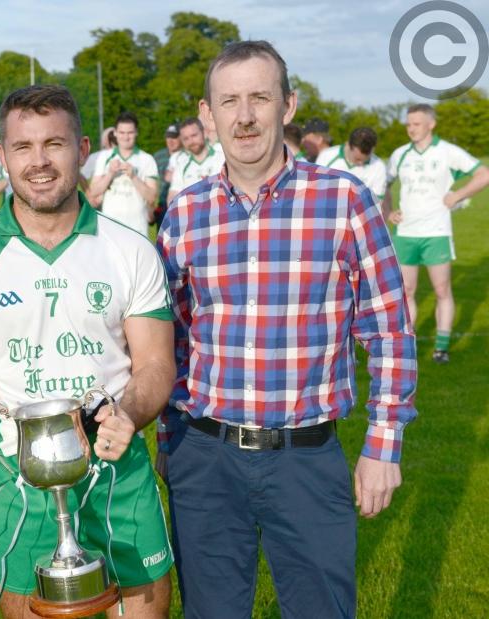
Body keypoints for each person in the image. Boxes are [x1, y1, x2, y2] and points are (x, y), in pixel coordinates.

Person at [157, 40, 418, 619]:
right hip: (204, 456)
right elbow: (170, 335)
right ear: (207, 114)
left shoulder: (345, 199)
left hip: (305, 457)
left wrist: (383, 445)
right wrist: (167, 439)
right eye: (229, 101)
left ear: (288, 105)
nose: (244, 115)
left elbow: (390, 330)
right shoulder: (185, 210)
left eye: (259, 97)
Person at [0, 84, 175, 618]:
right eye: (22, 147)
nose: (38, 162)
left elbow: (156, 363)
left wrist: (128, 414)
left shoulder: (129, 249)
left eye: (54, 144)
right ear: (2, 156)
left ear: (83, 149)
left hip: (118, 471)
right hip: (17, 481)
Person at [384, 103, 489, 364]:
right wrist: (388, 211)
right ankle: (406, 345)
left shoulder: (447, 152)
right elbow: (383, 185)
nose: (411, 129)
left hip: (437, 232)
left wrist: (458, 195)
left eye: (416, 124)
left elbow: (483, 175)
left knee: (442, 289)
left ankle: (441, 348)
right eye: (408, 124)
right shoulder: (400, 155)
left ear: (431, 124)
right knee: (406, 290)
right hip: (405, 232)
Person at [89, 111, 158, 236]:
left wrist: (134, 176)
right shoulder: (104, 157)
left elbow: (152, 197)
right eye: (121, 132)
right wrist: (109, 174)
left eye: (130, 132)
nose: (126, 137)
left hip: (138, 229)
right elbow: (93, 192)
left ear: (136, 132)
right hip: (110, 228)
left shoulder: (147, 159)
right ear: (115, 133)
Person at [317, 127, 388, 201]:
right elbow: (314, 189)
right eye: (357, 159)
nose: (361, 163)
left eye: (366, 159)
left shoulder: (379, 167)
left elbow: (376, 203)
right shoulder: (326, 156)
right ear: (348, 145)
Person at [167, 117, 225, 203]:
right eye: (186, 138)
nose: (191, 141)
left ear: (204, 133)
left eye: (194, 135)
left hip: (223, 213)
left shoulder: (222, 157)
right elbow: (172, 197)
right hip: (193, 215)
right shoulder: (181, 166)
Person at [152, 123, 182, 229]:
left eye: (174, 137)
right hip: (161, 205)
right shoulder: (158, 157)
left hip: (181, 203)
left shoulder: (186, 156)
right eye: (168, 137)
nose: (170, 141)